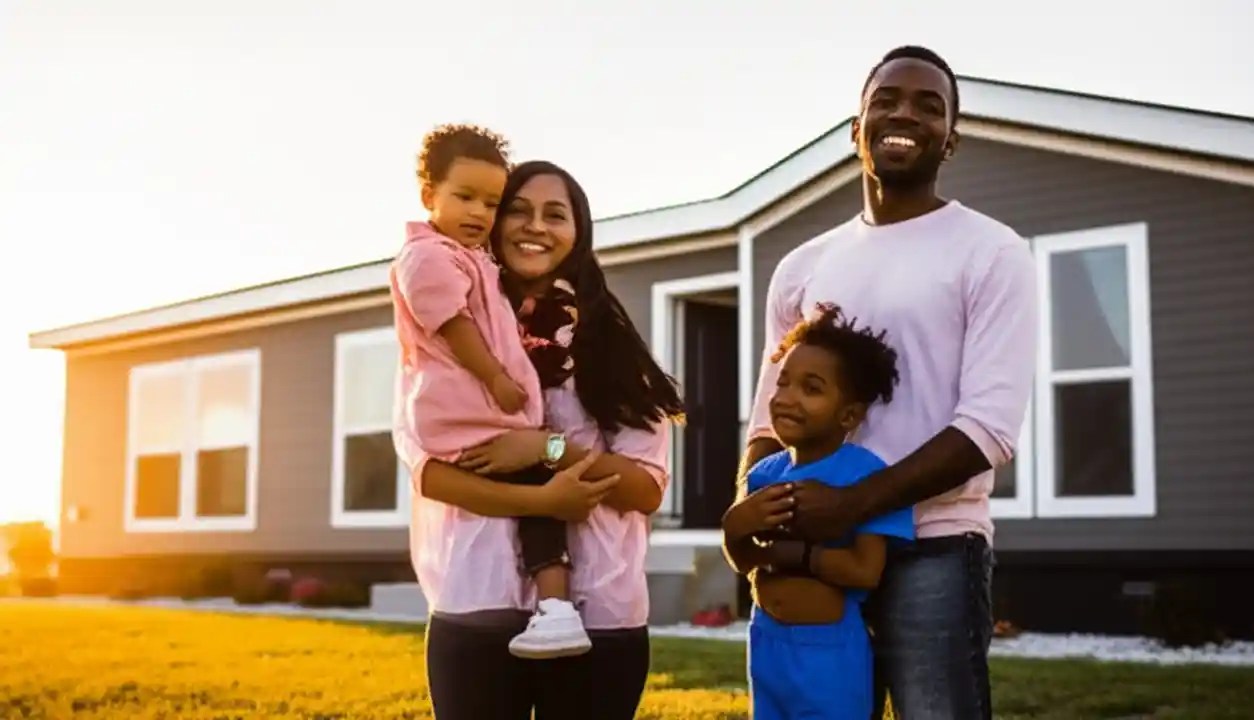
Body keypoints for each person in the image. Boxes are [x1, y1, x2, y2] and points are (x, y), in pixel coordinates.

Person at [739, 46, 1038, 719]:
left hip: (933, 547)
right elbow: (767, 418)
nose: (905, 114)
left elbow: (987, 428)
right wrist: (755, 509)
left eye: (929, 106)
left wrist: (852, 504)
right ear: (857, 127)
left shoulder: (991, 252)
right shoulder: (800, 267)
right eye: (887, 100)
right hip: (814, 547)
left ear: (951, 140)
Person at [394, 159, 684, 719]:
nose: (535, 227)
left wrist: (546, 449)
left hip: (597, 609)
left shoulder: (612, 349)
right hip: (479, 596)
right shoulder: (448, 342)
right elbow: (429, 472)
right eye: (518, 211)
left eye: (556, 215)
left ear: (579, 234)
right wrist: (541, 500)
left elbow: (645, 490)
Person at [390, 123, 590, 659]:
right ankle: (557, 607)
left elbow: (635, 481)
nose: (479, 213)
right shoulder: (429, 256)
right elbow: (455, 324)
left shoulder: (470, 259)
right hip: (471, 414)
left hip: (490, 417)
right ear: (429, 195)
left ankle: (555, 608)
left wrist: (543, 446)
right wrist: (498, 379)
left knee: (539, 477)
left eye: (490, 202)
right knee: (541, 491)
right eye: (464, 197)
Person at [724, 304, 914, 720]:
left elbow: (866, 571)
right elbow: (748, 564)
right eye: (784, 383)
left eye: (811, 389)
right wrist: (734, 528)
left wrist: (800, 556)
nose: (787, 399)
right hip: (767, 639)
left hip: (828, 652)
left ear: (849, 414)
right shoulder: (764, 475)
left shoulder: (862, 475)